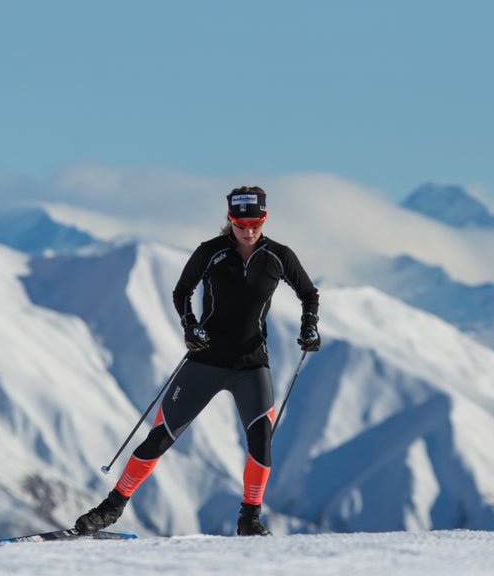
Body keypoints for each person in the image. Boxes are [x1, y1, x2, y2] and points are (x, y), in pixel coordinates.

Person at [74, 186, 320, 537]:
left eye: (255, 223)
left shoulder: (279, 256)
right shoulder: (212, 252)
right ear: (230, 221)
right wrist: (190, 326)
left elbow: (308, 293)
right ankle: (111, 508)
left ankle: (249, 519)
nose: (248, 231)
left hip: (251, 365)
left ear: (264, 220)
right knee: (160, 438)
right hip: (205, 360)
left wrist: (309, 326)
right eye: (240, 224)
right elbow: (181, 292)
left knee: (261, 441)